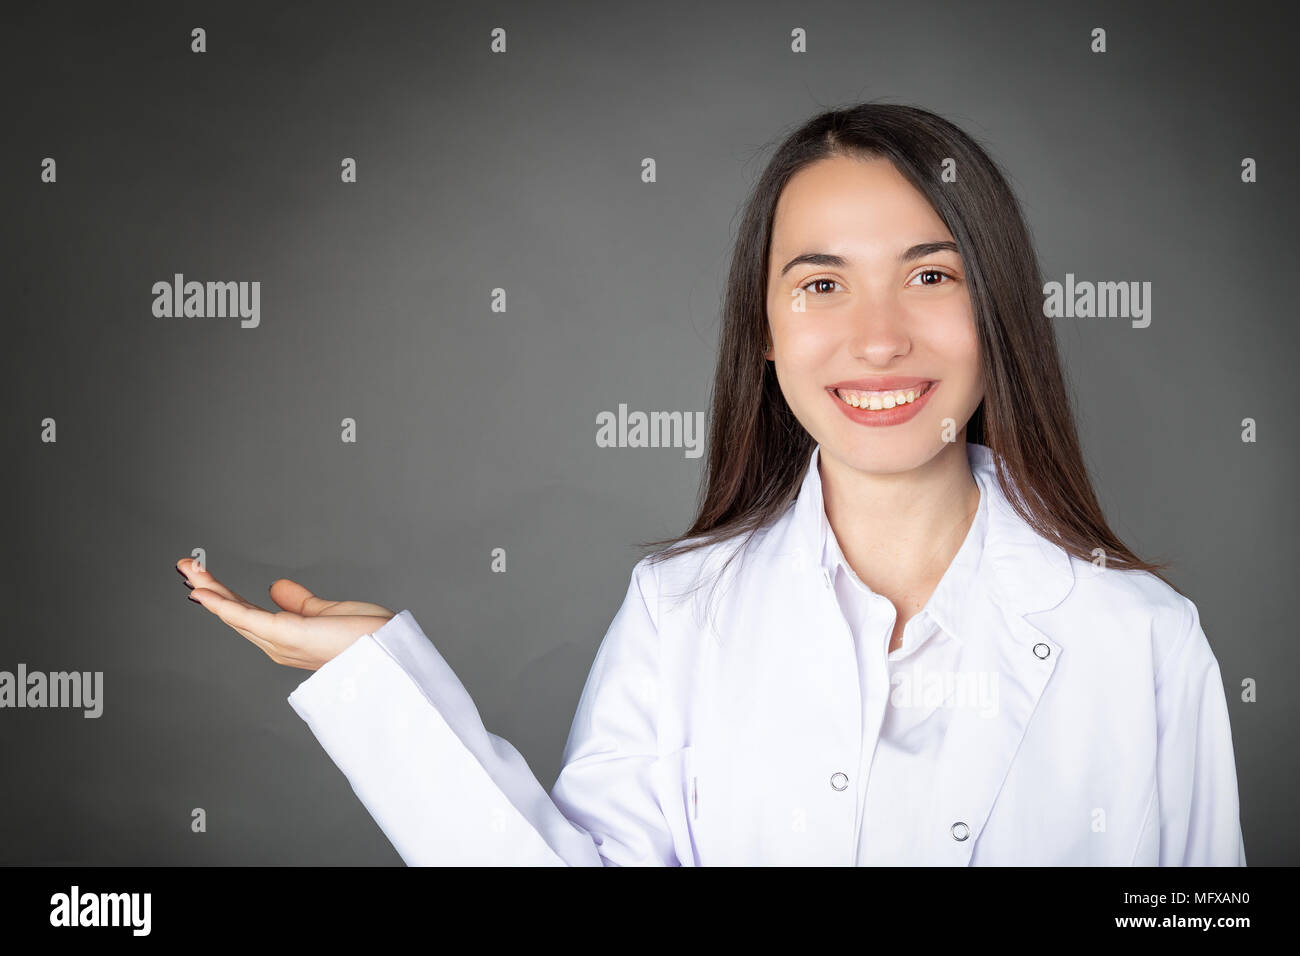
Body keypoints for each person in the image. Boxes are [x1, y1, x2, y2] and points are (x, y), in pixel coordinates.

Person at [175, 102, 1247, 866]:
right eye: (821, 284)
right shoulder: (680, 611)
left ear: (996, 313)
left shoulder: (1142, 639)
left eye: (930, 275)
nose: (878, 339)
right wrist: (378, 681)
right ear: (766, 333)